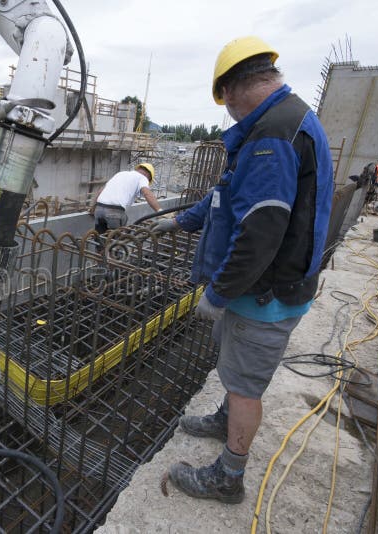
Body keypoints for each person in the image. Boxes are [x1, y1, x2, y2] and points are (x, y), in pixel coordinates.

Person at [152, 36, 333, 503]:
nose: (228, 112)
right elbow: (226, 196)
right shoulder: (278, 122)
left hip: (266, 293)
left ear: (231, 90)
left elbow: (259, 232)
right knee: (235, 372)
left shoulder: (273, 136)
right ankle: (223, 418)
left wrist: (218, 293)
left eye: (225, 102)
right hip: (258, 289)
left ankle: (228, 477)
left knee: (246, 385)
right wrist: (181, 221)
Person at [90, 163, 160, 234]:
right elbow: (147, 193)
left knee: (100, 237)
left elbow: (100, 191)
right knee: (116, 239)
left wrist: (93, 208)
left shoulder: (120, 174)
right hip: (114, 212)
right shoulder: (143, 178)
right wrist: (159, 211)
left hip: (99, 209)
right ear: (148, 176)